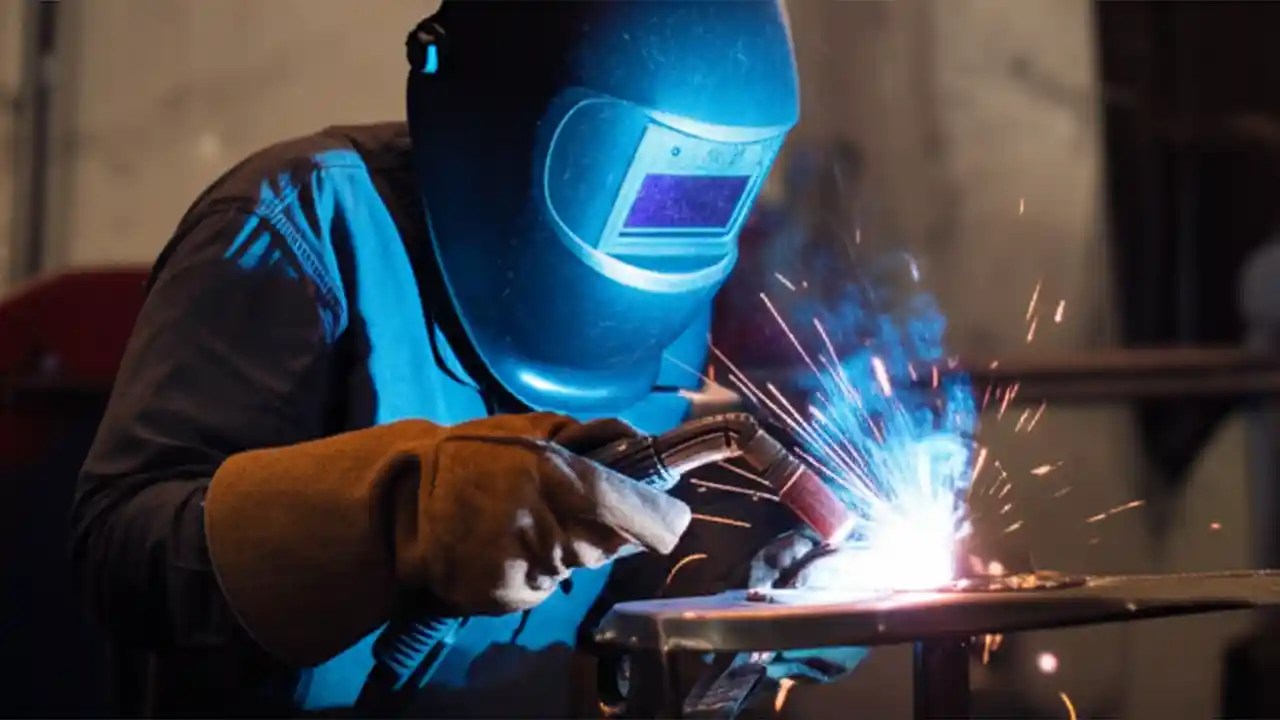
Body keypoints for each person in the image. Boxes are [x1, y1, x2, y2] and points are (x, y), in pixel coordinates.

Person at [70, 1, 865, 716]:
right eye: (657, 182)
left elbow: (605, 604)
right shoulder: (305, 226)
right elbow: (117, 556)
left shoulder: (666, 297)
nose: (678, 218)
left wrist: (724, 599)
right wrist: (398, 521)